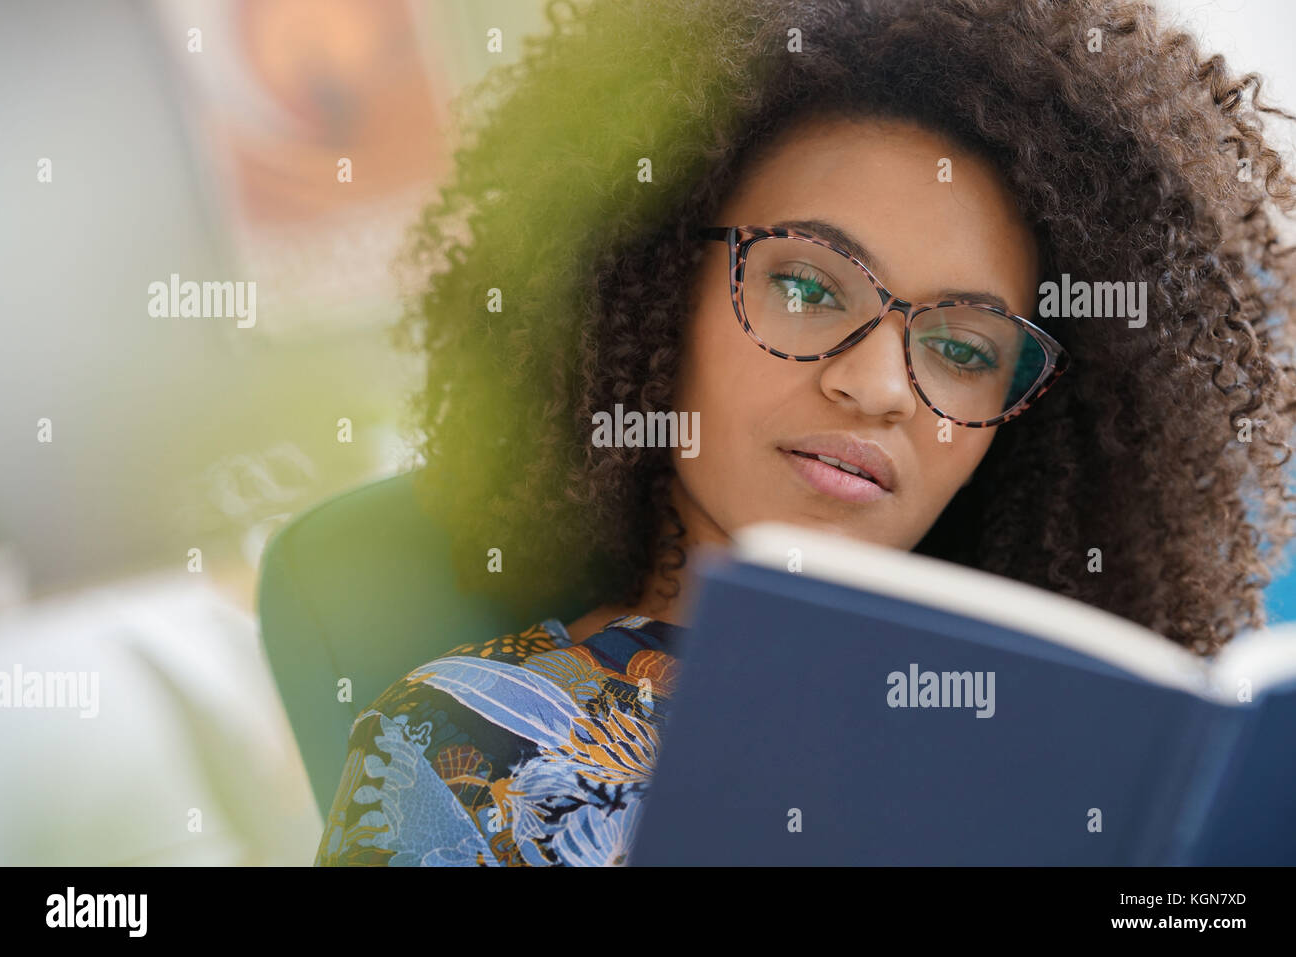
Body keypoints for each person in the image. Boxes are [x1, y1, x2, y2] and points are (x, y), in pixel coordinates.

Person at [314, 0, 1296, 866]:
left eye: (961, 349)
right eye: (804, 286)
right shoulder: (462, 756)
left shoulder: (1076, 762)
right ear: (654, 288)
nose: (875, 388)